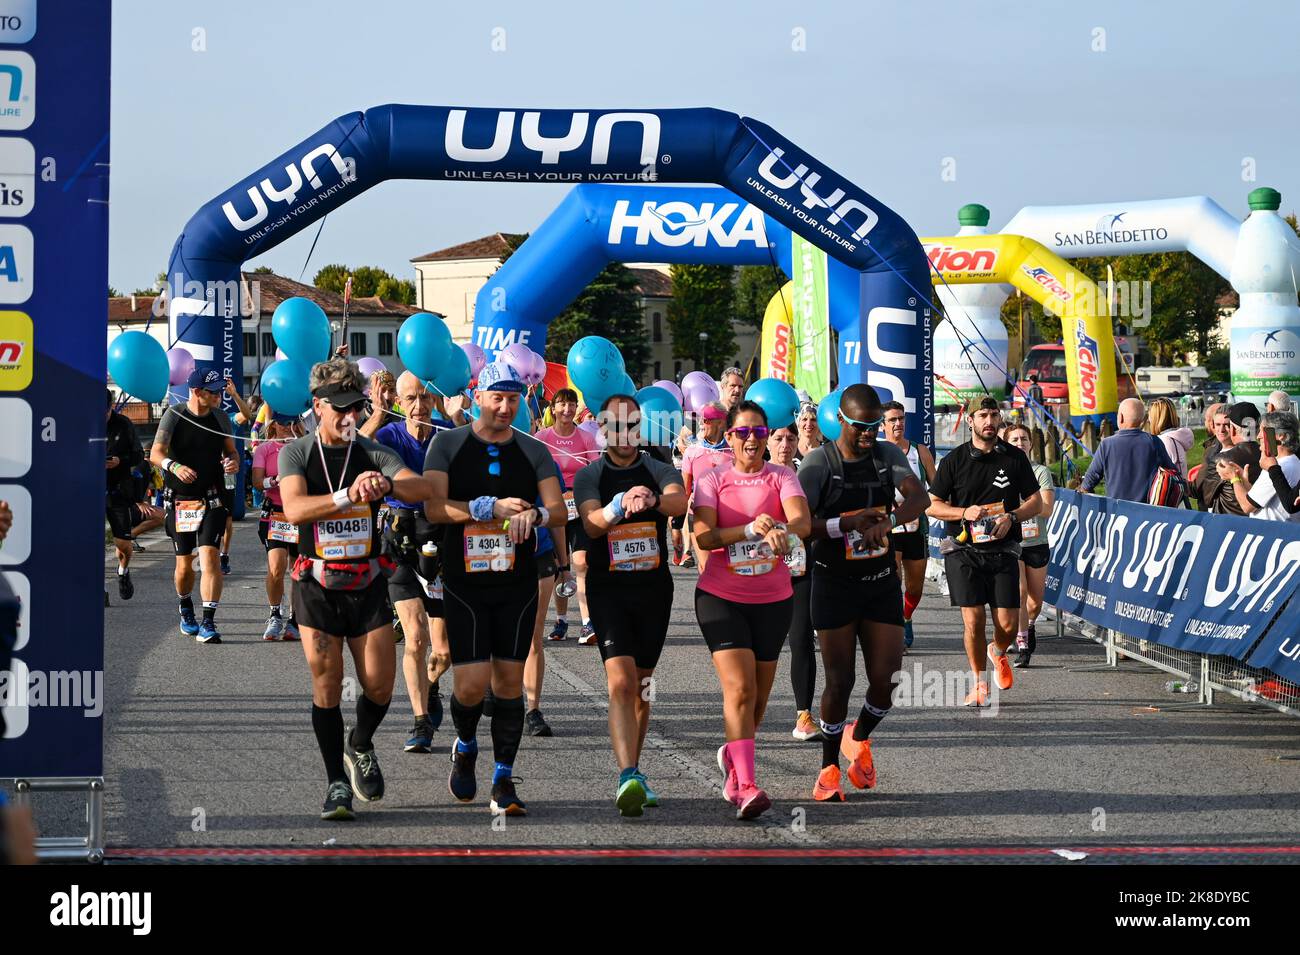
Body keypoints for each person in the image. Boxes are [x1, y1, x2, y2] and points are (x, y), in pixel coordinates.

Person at [279, 357, 432, 821]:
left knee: (380, 686)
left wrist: (386, 483)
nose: (349, 416)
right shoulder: (297, 452)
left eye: (355, 407)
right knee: (327, 683)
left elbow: (418, 487)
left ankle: (360, 743)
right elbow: (293, 509)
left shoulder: (370, 450)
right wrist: (348, 495)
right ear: (318, 406)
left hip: (366, 582)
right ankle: (336, 783)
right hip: (317, 583)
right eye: (340, 408)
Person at [423, 360, 565, 817]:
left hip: (516, 581)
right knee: (470, 686)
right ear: (477, 397)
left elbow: (560, 510)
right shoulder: (447, 444)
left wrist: (535, 515)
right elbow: (433, 508)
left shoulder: (533, 449)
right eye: (497, 398)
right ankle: (465, 744)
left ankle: (503, 778)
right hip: (465, 582)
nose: (505, 408)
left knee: (507, 684)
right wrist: (484, 507)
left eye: (513, 399)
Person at [797, 385, 927, 802]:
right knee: (840, 681)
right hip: (833, 583)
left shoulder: (886, 455)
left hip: (879, 582)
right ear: (841, 421)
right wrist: (847, 524)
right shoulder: (819, 464)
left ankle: (859, 735)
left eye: (875, 425)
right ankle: (829, 767)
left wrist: (889, 521)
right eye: (861, 426)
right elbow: (800, 526)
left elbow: (920, 497)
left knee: (887, 679)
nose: (870, 433)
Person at [692, 400, 811, 820]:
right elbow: (704, 537)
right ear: (729, 436)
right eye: (742, 432)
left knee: (757, 702)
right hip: (720, 598)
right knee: (740, 691)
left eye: (759, 432)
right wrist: (746, 529)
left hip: (773, 600)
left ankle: (733, 754)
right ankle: (745, 785)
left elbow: (803, 523)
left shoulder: (782, 476)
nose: (751, 439)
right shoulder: (712, 479)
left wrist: (782, 529)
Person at [575, 393, 687, 816]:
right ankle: (626, 774)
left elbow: (679, 501)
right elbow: (591, 524)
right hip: (609, 591)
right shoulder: (590, 475)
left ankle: (635, 771)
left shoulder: (658, 467)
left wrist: (653, 500)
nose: (625, 435)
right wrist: (620, 504)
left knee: (642, 685)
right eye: (617, 426)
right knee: (620, 683)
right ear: (603, 429)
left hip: (653, 591)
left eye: (632, 426)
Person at [926, 396, 1043, 706]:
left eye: (993, 415)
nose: (989, 421)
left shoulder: (1014, 458)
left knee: (1007, 625)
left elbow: (1036, 502)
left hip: (1003, 550)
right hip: (963, 550)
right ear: (971, 421)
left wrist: (1012, 517)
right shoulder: (954, 460)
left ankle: (998, 650)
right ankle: (979, 683)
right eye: (982, 416)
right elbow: (932, 506)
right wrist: (963, 512)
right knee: (974, 621)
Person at [375, 372, 455, 753]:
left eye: (424, 397)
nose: (418, 406)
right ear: (398, 402)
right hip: (399, 538)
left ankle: (432, 684)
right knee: (416, 636)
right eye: (410, 398)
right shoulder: (389, 434)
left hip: (439, 538)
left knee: (443, 651)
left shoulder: (446, 433)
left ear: (434, 400)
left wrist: (458, 417)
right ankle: (421, 722)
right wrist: (377, 413)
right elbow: (355, 446)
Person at [149, 369, 240, 644]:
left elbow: (231, 451)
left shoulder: (220, 417)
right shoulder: (174, 415)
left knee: (210, 558)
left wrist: (232, 462)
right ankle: (185, 605)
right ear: (197, 392)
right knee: (184, 566)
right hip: (181, 500)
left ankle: (208, 622)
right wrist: (174, 466)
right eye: (214, 392)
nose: (219, 396)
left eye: (221, 391)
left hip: (212, 497)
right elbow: (155, 453)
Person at [534, 387, 599, 643]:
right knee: (558, 567)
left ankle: (587, 622)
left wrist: (580, 491)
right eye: (562, 404)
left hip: (578, 505)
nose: (567, 409)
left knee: (581, 562)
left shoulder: (586, 437)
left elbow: (595, 469)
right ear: (553, 409)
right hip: (551, 507)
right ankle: (561, 620)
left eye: (572, 404)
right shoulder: (541, 437)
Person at [768, 424, 819, 742]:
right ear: (767, 442)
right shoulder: (756, 476)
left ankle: (804, 715)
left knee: (801, 639)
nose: (785, 444)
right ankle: (746, 710)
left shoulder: (808, 475)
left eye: (790, 438)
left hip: (800, 568)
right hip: (760, 571)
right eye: (778, 438)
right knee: (761, 645)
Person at [880, 399, 936, 650]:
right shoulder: (876, 452)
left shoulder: (919, 451)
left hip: (915, 527)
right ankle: (896, 629)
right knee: (893, 580)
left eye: (901, 418)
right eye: (892, 420)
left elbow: (936, 488)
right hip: (888, 527)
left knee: (915, 587)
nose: (898, 424)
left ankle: (906, 616)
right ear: (882, 425)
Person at [522, 461, 573, 739]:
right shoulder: (477, 454)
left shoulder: (542, 459)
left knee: (533, 636)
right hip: (494, 558)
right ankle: (496, 688)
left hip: (538, 554)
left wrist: (564, 566)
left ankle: (533, 710)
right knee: (497, 633)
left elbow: (557, 516)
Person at [1001, 423, 1055, 668]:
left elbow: (1046, 509)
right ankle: (1023, 645)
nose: (1020, 443)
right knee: (1020, 594)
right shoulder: (1001, 471)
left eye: (1024, 439)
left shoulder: (1041, 471)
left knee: (1035, 602)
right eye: (1014, 439)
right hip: (1011, 541)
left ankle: (1029, 625)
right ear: (1006, 444)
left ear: (1031, 444)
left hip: (1036, 541)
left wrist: (1022, 505)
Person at [250, 413, 303, 641]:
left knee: (299, 568)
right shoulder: (265, 449)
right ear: (274, 425)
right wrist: (274, 481)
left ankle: (295, 618)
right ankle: (274, 614)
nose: (288, 427)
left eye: (293, 423)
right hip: (275, 512)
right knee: (276, 567)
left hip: (300, 510)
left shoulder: (304, 446)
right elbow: (256, 482)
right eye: (283, 423)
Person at [1080, 398, 1174, 502]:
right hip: (1147, 509)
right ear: (1142, 420)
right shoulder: (1154, 442)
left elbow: (1088, 482)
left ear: (1120, 417)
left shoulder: (1106, 445)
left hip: (1116, 509)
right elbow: (1173, 474)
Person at [1217, 411, 1300, 522]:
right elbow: (1257, 499)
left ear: (1281, 436)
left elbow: (1247, 506)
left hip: (1271, 530)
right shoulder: (1293, 461)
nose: (1258, 436)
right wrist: (1243, 481)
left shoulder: (1277, 467)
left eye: (1263, 431)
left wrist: (1234, 478)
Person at [680, 401, 733, 569]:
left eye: (707, 419)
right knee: (706, 567)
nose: (701, 423)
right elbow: (685, 491)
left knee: (727, 567)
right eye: (700, 419)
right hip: (699, 515)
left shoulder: (734, 452)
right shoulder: (692, 452)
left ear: (721, 423)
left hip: (729, 516)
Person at [106, 390, 146, 600]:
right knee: (89, 541)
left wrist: (120, 461)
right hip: (89, 489)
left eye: (104, 411)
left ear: (111, 407)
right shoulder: (84, 421)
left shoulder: (124, 424)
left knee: (123, 544)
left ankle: (123, 571)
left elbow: (139, 455)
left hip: (118, 489)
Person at [1147, 396, 1193, 481]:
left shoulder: (1166, 441)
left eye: (1150, 416)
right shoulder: (1169, 439)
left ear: (1157, 418)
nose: (1148, 420)